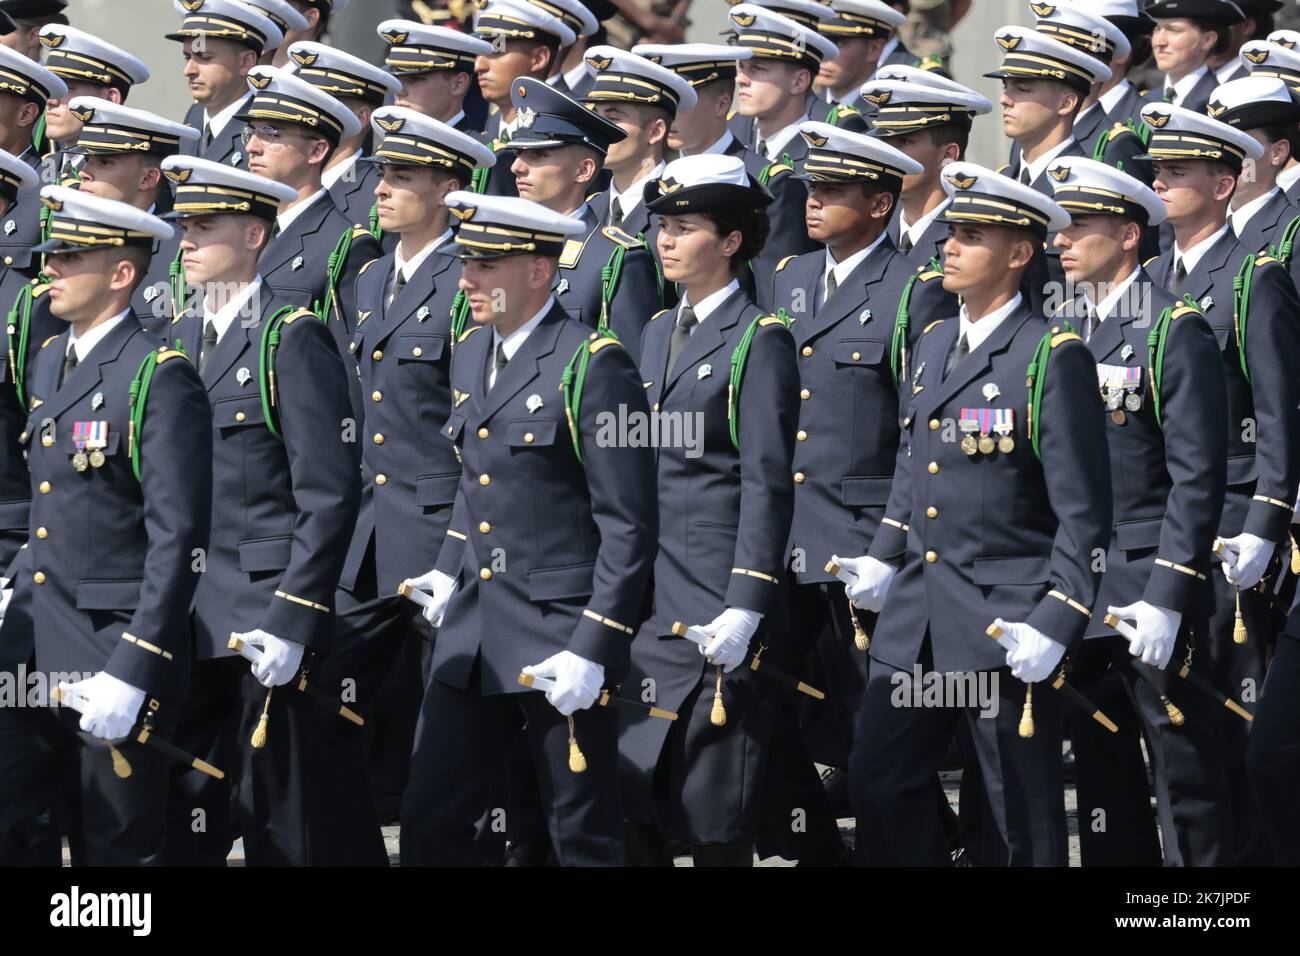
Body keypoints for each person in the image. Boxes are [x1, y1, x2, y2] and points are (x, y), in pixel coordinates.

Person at [847, 163, 1112, 866]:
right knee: (878, 781)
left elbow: (1084, 514)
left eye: (970, 236)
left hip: (1005, 618)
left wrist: (1058, 621)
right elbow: (913, 465)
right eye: (949, 236)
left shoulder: (1050, 356)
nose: (949, 249)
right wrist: (881, 551)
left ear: (1019, 253)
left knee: (1016, 818)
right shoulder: (934, 342)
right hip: (917, 621)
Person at [398, 191, 658, 866]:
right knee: (433, 815)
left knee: (580, 830)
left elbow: (628, 524)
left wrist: (594, 646)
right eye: (466, 264)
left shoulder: (592, 363)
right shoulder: (471, 350)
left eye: (485, 265)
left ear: (538, 272)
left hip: (558, 627)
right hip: (476, 631)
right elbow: (475, 478)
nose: (466, 280)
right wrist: (446, 565)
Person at [158, 156, 363, 866]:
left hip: (262, 619)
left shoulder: (289, 334)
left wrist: (293, 616)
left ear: (253, 235)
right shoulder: (178, 338)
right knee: (182, 821)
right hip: (189, 622)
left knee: (287, 826)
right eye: (183, 225)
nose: (185, 241)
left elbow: (328, 491)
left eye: (204, 227)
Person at [761, 122, 956, 864]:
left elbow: (920, 428)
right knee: (767, 700)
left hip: (861, 538)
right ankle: (816, 847)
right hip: (787, 533)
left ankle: (939, 846)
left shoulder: (918, 288)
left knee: (875, 722)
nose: (813, 202)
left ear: (881, 204)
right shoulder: (790, 278)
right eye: (811, 187)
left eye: (834, 190)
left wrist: (890, 544)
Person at [0, 186, 212, 866]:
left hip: (107, 648)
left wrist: (135, 665)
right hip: (33, 645)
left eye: (68, 257)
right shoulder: (48, 360)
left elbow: (177, 540)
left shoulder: (156, 374)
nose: (48, 271)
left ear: (121, 273)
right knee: (18, 821)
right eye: (49, 255)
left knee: (115, 848)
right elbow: (51, 508)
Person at [1050, 156, 1234, 866]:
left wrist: (1169, 590)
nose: (1061, 242)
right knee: (1101, 776)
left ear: (1129, 235)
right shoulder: (1060, 329)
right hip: (1081, 587)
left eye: (1080, 227)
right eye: (1058, 229)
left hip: (1152, 585)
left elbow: (1197, 477)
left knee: (1183, 770)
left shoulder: (1171, 327)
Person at [619, 153, 798, 867]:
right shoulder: (658, 330)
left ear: (730, 241)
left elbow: (766, 479)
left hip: (718, 602)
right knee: (635, 803)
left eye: (685, 226)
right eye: (661, 225)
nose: (665, 239)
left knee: (717, 817)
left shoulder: (761, 338)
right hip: (652, 602)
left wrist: (748, 600)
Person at [1139, 99, 1300, 865]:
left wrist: (1266, 525)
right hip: (1157, 523)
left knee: (1237, 724)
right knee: (1174, 727)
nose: (1162, 183)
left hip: (1233, 521)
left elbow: (1278, 413)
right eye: (1158, 171)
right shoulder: (1143, 280)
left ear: (1228, 184)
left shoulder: (1252, 279)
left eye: (1180, 172)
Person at [336, 106, 494, 836]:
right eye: (381, 175)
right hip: (370, 530)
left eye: (403, 177)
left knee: (456, 723)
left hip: (439, 530)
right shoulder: (370, 278)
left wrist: (462, 547)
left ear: (449, 189)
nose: (383, 190)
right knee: (321, 696)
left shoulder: (467, 279)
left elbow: (476, 424)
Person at [235, 65, 381, 390]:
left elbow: (350, 373)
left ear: (316, 150)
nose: (252, 147)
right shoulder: (247, 234)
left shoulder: (345, 246)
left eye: (270, 134)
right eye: (252, 132)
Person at [632, 41, 808, 304]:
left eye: (680, 102)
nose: (668, 115)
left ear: (721, 104)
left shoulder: (768, 181)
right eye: (663, 102)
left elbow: (778, 292)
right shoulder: (660, 179)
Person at [508, 76, 666, 355]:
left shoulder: (616, 260)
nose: (517, 167)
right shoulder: (505, 249)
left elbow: (628, 380)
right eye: (518, 153)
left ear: (584, 170)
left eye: (539, 155)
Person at [986, 21, 1112, 293]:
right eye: (1006, 87)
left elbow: (1100, 294)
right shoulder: (1001, 183)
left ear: (1065, 103)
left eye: (1023, 89)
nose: (1005, 99)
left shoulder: (1088, 190)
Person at [722, 4, 840, 284]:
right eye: (741, 67)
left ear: (800, 81)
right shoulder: (732, 131)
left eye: (758, 69)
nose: (741, 78)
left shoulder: (825, 155)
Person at [60, 98, 200, 333]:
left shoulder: (183, 254)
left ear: (148, 179)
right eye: (87, 160)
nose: (84, 173)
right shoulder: (66, 240)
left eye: (104, 162)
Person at [861, 65, 991, 267]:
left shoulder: (975, 240)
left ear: (948, 155)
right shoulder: (871, 229)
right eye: (885, 142)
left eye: (904, 142)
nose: (889, 154)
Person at [282, 40, 401, 241]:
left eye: (319, 106)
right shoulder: (283, 180)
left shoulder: (379, 196)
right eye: (301, 105)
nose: (302, 116)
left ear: (361, 118)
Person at [471, 0, 577, 197]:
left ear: (538, 59)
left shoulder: (568, 128)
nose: (479, 66)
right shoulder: (495, 121)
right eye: (480, 53)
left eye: (496, 50)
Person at [166, 0, 285, 169]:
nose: (188, 70)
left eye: (205, 57)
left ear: (246, 62)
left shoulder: (265, 130)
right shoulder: (196, 113)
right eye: (188, 57)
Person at [36, 24, 148, 184]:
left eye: (67, 89)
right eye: (52, 89)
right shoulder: (44, 169)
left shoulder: (128, 182)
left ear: (110, 99)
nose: (51, 100)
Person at [377, 18, 492, 137]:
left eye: (415, 79)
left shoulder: (483, 155)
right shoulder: (385, 153)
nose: (399, 91)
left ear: (459, 84)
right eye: (397, 80)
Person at [815, 0, 908, 126]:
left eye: (839, 44)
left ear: (874, 50)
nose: (825, 54)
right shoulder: (806, 108)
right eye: (822, 42)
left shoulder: (892, 120)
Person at [1144, 0, 1244, 112]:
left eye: (1174, 30)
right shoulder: (1144, 101)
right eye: (1157, 29)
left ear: (1207, 40)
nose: (1159, 42)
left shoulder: (1223, 103)